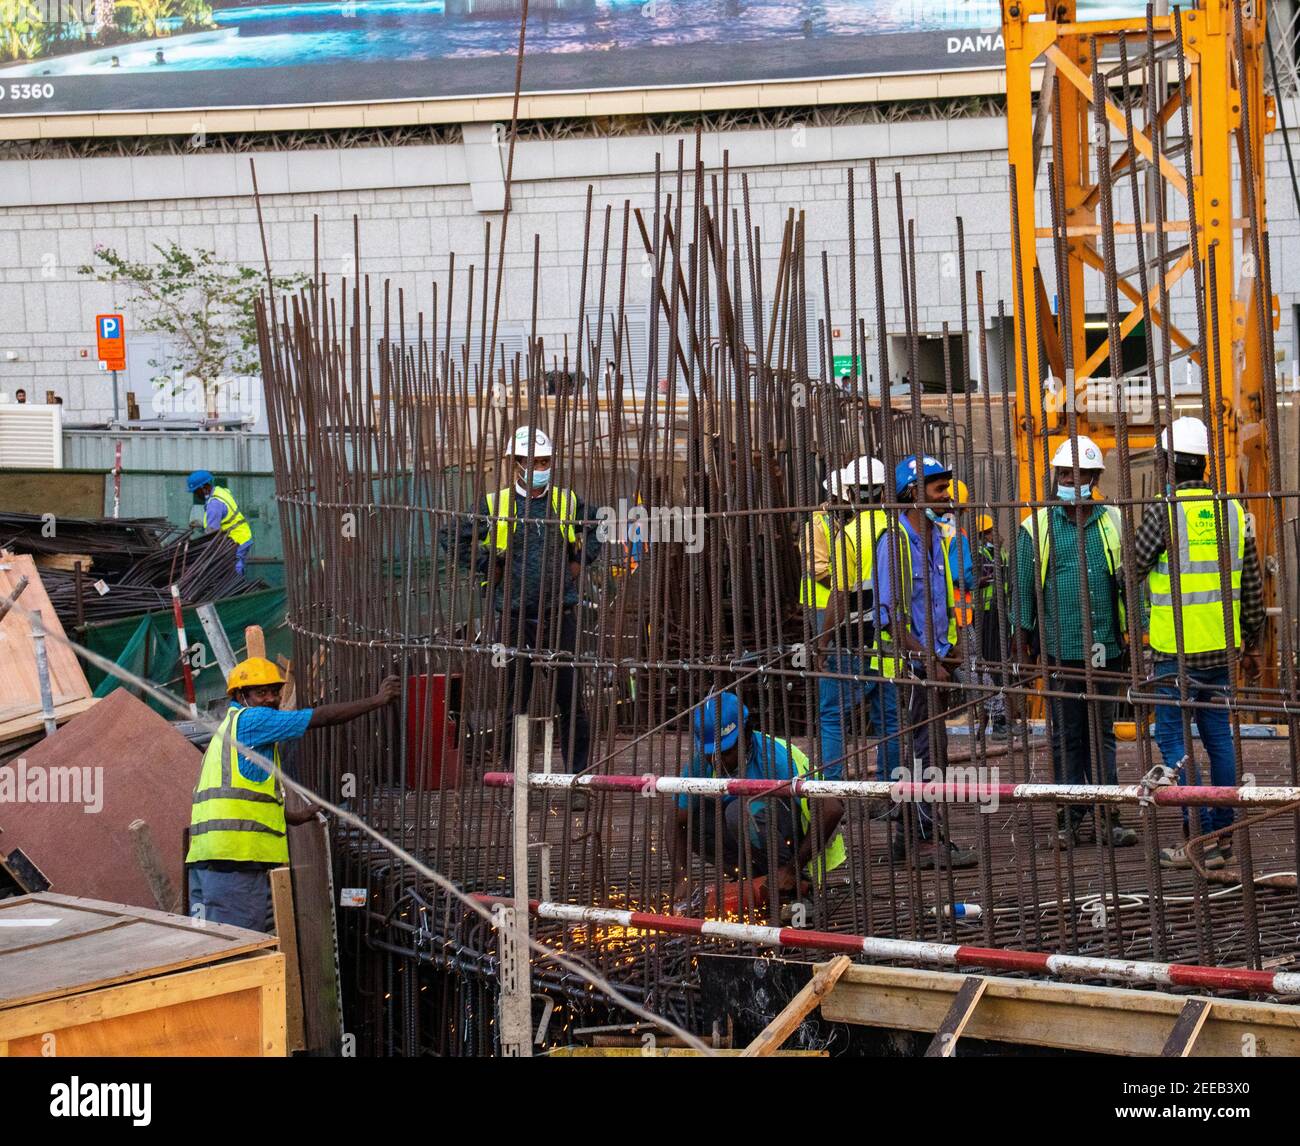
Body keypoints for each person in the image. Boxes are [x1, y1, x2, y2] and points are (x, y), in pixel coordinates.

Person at [1133, 416, 1265, 869]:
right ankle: (1224, 832)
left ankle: (1201, 834)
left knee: (1171, 736)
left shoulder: (1164, 510)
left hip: (1175, 652)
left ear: (1168, 463)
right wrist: (1251, 639)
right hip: (1222, 648)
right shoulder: (1232, 510)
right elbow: (1251, 583)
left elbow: (1134, 563)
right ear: (1206, 463)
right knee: (1219, 739)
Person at [186, 657, 400, 932]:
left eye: (275, 691)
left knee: (211, 948)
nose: (271, 698)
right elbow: (319, 717)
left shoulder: (226, 733)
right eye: (261, 692)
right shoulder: (253, 721)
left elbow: (244, 800)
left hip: (208, 862)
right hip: (235, 864)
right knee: (240, 951)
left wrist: (293, 816)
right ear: (241, 696)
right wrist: (377, 700)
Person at [452, 426, 601, 795]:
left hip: (559, 617)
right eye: (532, 461)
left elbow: (602, 523)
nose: (539, 467)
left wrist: (580, 560)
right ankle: (514, 780)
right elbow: (452, 537)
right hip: (515, 619)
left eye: (545, 461)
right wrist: (489, 566)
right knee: (513, 705)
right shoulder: (494, 504)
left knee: (571, 703)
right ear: (516, 463)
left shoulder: (565, 502)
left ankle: (577, 780)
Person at [1016, 435, 1137, 848]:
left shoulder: (1114, 521)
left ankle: (1107, 815)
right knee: (1066, 736)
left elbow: (1129, 587)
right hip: (1058, 651)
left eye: (1082, 474)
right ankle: (1069, 817)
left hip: (1106, 649)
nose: (1073, 479)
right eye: (1066, 473)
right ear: (1056, 477)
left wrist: (1136, 638)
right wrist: (1024, 651)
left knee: (1101, 735)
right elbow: (1022, 595)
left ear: (1095, 478)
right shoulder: (1036, 527)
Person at [872, 454, 977, 869]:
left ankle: (918, 833)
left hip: (932, 664)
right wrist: (928, 660)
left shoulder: (936, 536)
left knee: (933, 751)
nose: (946, 495)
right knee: (921, 754)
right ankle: (922, 839)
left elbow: (936, 607)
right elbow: (890, 619)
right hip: (909, 670)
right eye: (937, 488)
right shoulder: (894, 542)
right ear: (912, 494)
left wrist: (950, 653)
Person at [669, 692, 845, 905]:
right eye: (711, 753)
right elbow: (676, 819)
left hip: (799, 841)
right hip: (755, 833)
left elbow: (833, 808)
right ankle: (757, 877)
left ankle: (793, 884)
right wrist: (681, 877)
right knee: (695, 819)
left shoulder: (775, 756)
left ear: (746, 735)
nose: (717, 761)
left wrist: (792, 867)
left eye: (726, 752)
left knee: (739, 812)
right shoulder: (702, 763)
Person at [814, 455, 899, 783]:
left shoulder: (848, 535)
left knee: (833, 717)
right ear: (882, 494)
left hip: (853, 641)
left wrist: (822, 642)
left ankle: (831, 789)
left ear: (849, 494)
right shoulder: (897, 530)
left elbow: (839, 595)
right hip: (889, 641)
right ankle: (889, 789)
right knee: (889, 720)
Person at [798, 459, 869, 633]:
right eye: (847, 502)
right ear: (835, 499)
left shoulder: (851, 523)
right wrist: (847, 590)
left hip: (846, 600)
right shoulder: (816, 527)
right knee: (833, 650)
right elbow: (818, 570)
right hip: (823, 603)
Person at [974, 514, 1013, 737]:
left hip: (1000, 611)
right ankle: (994, 722)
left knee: (1000, 664)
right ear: (984, 535)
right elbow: (978, 580)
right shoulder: (980, 554)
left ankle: (996, 721)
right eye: (991, 532)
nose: (996, 535)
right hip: (986, 614)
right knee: (991, 666)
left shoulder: (998, 553)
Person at [188, 469, 253, 576]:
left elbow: (212, 534)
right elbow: (224, 518)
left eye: (196, 491)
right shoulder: (220, 491)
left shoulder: (214, 504)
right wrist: (202, 524)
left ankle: (237, 587)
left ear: (203, 488)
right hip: (242, 535)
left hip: (236, 539)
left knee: (233, 568)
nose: (195, 495)